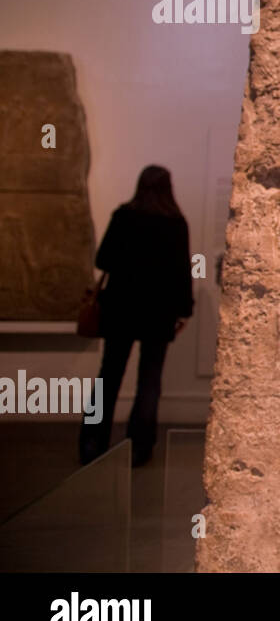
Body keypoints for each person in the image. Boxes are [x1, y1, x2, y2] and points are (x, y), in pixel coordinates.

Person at [78, 166, 194, 467]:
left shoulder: (124, 216)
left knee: (109, 377)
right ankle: (139, 448)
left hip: (121, 308)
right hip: (158, 312)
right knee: (150, 380)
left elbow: (103, 259)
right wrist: (184, 311)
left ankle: (92, 442)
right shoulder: (175, 223)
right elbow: (183, 271)